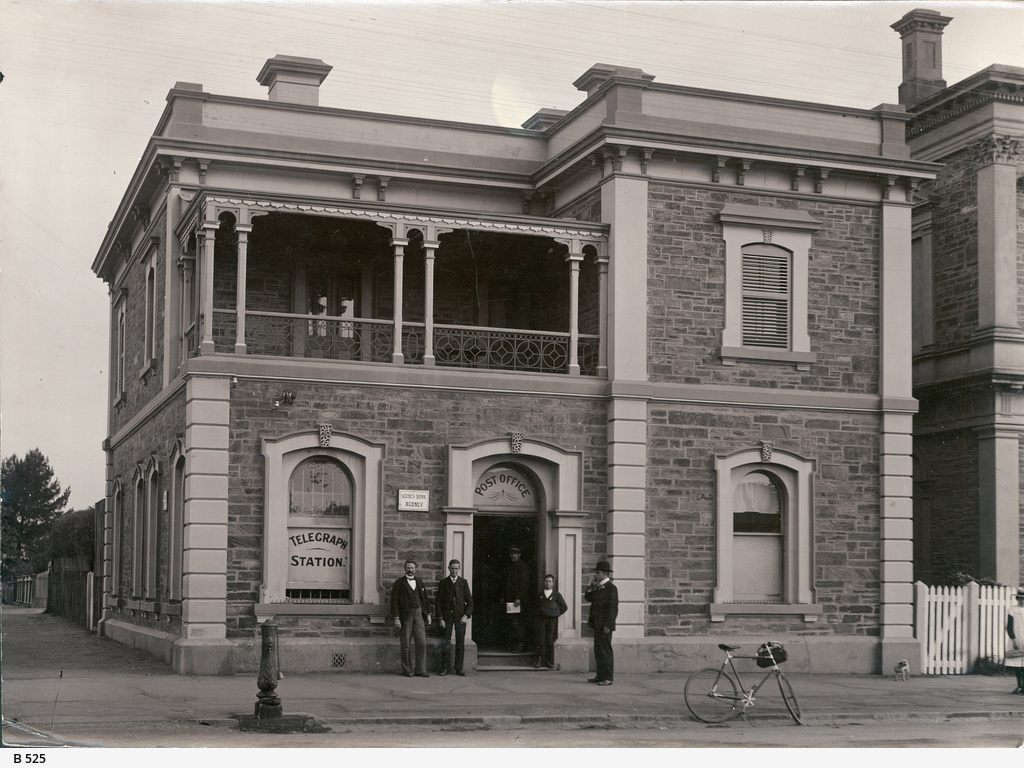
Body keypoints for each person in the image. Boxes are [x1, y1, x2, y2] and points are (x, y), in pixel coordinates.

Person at [389, 559, 432, 678]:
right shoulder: (399, 583)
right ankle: (407, 670)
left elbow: (425, 599)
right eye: (408, 567)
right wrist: (396, 618)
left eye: (412, 568)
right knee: (405, 643)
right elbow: (394, 602)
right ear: (405, 568)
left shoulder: (419, 581)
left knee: (422, 642)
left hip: (419, 614)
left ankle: (421, 669)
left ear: (415, 569)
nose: (410, 570)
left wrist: (428, 614)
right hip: (405, 616)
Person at [435, 558, 473, 676]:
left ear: (459, 569)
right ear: (448, 569)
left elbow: (470, 602)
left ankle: (459, 668)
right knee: (445, 642)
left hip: (460, 617)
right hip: (447, 618)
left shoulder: (463, 582)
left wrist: (466, 615)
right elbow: (438, 603)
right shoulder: (444, 583)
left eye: (456, 569)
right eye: (452, 568)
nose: (454, 571)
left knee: (460, 642)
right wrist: (440, 618)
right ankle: (444, 668)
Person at [585, 559, 618, 686]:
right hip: (597, 624)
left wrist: (608, 625)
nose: (596, 575)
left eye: (598, 573)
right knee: (598, 650)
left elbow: (612, 609)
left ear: (604, 574)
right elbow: (588, 598)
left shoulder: (611, 588)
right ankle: (600, 675)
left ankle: (608, 677)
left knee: (605, 650)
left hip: (604, 626)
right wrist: (590, 587)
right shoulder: (599, 587)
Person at [500, 545, 531, 652]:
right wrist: (503, 597)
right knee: (510, 622)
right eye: (512, 553)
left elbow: (524, 584)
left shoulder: (523, 566)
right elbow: (505, 583)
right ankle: (511, 645)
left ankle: (520, 645)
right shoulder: (508, 566)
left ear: (519, 555)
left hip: (518, 600)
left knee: (518, 623)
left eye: (515, 553)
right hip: (509, 599)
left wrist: (518, 598)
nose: (513, 555)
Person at [534, 573, 568, 669]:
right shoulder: (540, 594)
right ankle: (540, 660)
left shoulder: (556, 595)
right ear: (543, 582)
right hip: (542, 619)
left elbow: (564, 607)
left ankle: (548, 661)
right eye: (546, 581)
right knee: (541, 639)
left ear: (553, 583)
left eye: (550, 581)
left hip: (552, 620)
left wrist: (556, 613)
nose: (547, 583)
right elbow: (535, 607)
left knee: (550, 639)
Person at [1006, 588, 1024, 694]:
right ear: (1017, 599)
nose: (1022, 601)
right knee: (1017, 664)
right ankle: (1020, 685)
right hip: (1016, 639)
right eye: (1020, 599)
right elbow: (1009, 626)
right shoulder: (1012, 609)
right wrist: (1014, 639)